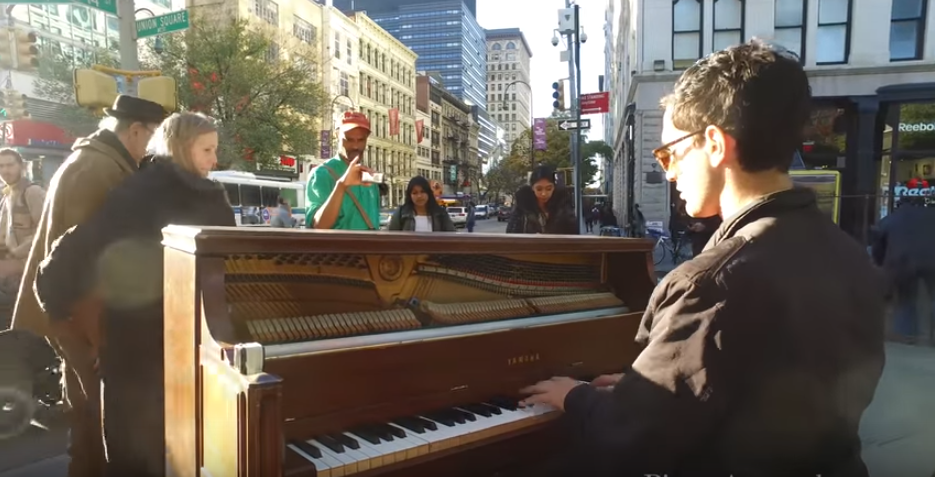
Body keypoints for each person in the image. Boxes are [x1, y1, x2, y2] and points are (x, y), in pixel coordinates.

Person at [518, 40, 885, 477]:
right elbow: (766, 390)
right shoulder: (848, 253)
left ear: (714, 144)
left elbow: (634, 440)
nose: (670, 172)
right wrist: (647, 392)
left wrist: (575, 396)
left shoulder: (709, 283)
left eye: (670, 152)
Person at [33, 111, 235, 477]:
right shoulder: (149, 193)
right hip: (161, 353)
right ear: (182, 147)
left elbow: (65, 262)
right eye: (207, 150)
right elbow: (70, 259)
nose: (214, 159)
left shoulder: (137, 189)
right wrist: (82, 334)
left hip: (152, 351)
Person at [9, 95, 166, 477]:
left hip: (76, 318)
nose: (152, 148)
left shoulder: (98, 160)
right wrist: (97, 338)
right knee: (96, 420)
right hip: (83, 321)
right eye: (152, 137)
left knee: (87, 416)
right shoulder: (97, 169)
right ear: (135, 131)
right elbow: (83, 266)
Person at [872, 195, 935, 345]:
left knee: (906, 298)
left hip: (903, 262)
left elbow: (878, 245)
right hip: (932, 260)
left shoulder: (891, 219)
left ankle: (907, 335)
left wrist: (880, 263)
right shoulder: (932, 215)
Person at [306, 111, 380, 230]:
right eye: (349, 139)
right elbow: (319, 226)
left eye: (361, 140)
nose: (355, 146)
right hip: (337, 243)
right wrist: (341, 185)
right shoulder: (321, 174)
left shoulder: (368, 177)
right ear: (337, 135)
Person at [0, 149, 45, 301]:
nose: (5, 170)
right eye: (1, 166)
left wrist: (14, 254)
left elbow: (45, 231)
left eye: (10, 165)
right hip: (9, 271)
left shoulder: (32, 192)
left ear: (21, 166)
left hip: (28, 270)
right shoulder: (6, 196)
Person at [506, 166, 577, 235]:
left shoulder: (562, 205)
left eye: (549, 189)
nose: (544, 193)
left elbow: (573, 234)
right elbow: (511, 235)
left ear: (554, 187)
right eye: (539, 189)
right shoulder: (523, 206)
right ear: (532, 188)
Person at [388, 176, 455, 232]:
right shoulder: (401, 213)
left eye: (422, 192)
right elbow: (390, 236)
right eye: (415, 193)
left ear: (428, 193)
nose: (419, 196)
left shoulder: (441, 214)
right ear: (410, 195)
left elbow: (452, 236)